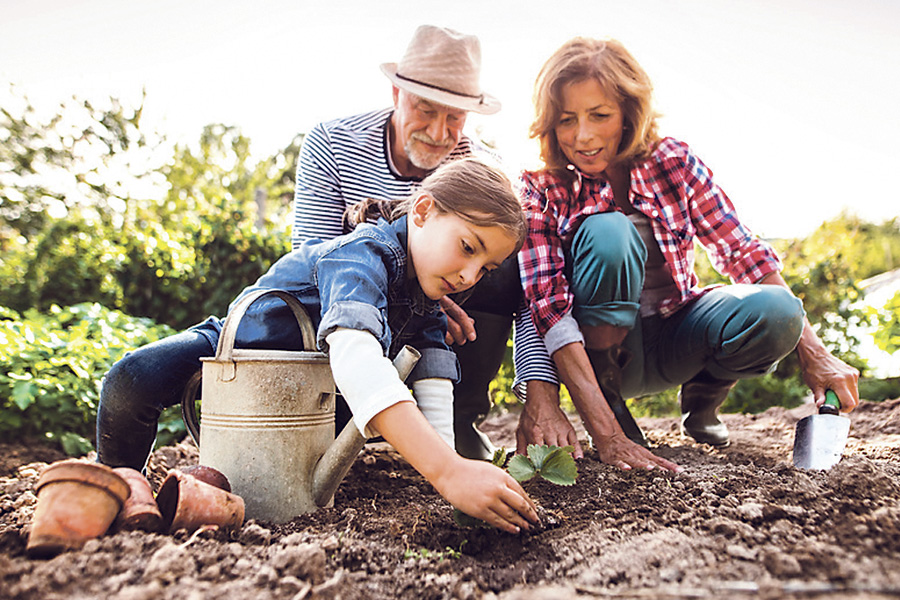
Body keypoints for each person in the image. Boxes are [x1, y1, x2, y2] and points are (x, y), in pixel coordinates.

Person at [97, 158, 539, 533]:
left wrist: (450, 465)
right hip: (236, 350)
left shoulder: (425, 294)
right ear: (422, 210)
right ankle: (115, 487)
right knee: (133, 377)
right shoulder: (363, 255)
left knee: (359, 414)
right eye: (467, 248)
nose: (468, 276)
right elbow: (355, 353)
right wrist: (447, 472)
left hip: (306, 398)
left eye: (485, 268)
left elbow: (433, 378)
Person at [515, 37, 860, 471]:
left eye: (599, 115)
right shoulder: (542, 187)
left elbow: (741, 251)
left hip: (678, 335)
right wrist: (608, 436)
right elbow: (547, 311)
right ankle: (612, 403)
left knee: (780, 311)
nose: (582, 136)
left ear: (627, 112)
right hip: (604, 357)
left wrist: (815, 353)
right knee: (609, 232)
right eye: (567, 120)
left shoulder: (673, 161)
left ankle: (703, 395)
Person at [292, 24, 556, 460]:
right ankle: (338, 412)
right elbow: (313, 257)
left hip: (440, 321)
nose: (438, 131)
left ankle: (457, 417)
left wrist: (538, 393)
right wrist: (419, 300)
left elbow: (533, 291)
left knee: (501, 258)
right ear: (396, 95)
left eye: (454, 117)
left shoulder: (483, 169)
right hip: (351, 311)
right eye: (425, 109)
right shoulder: (333, 143)